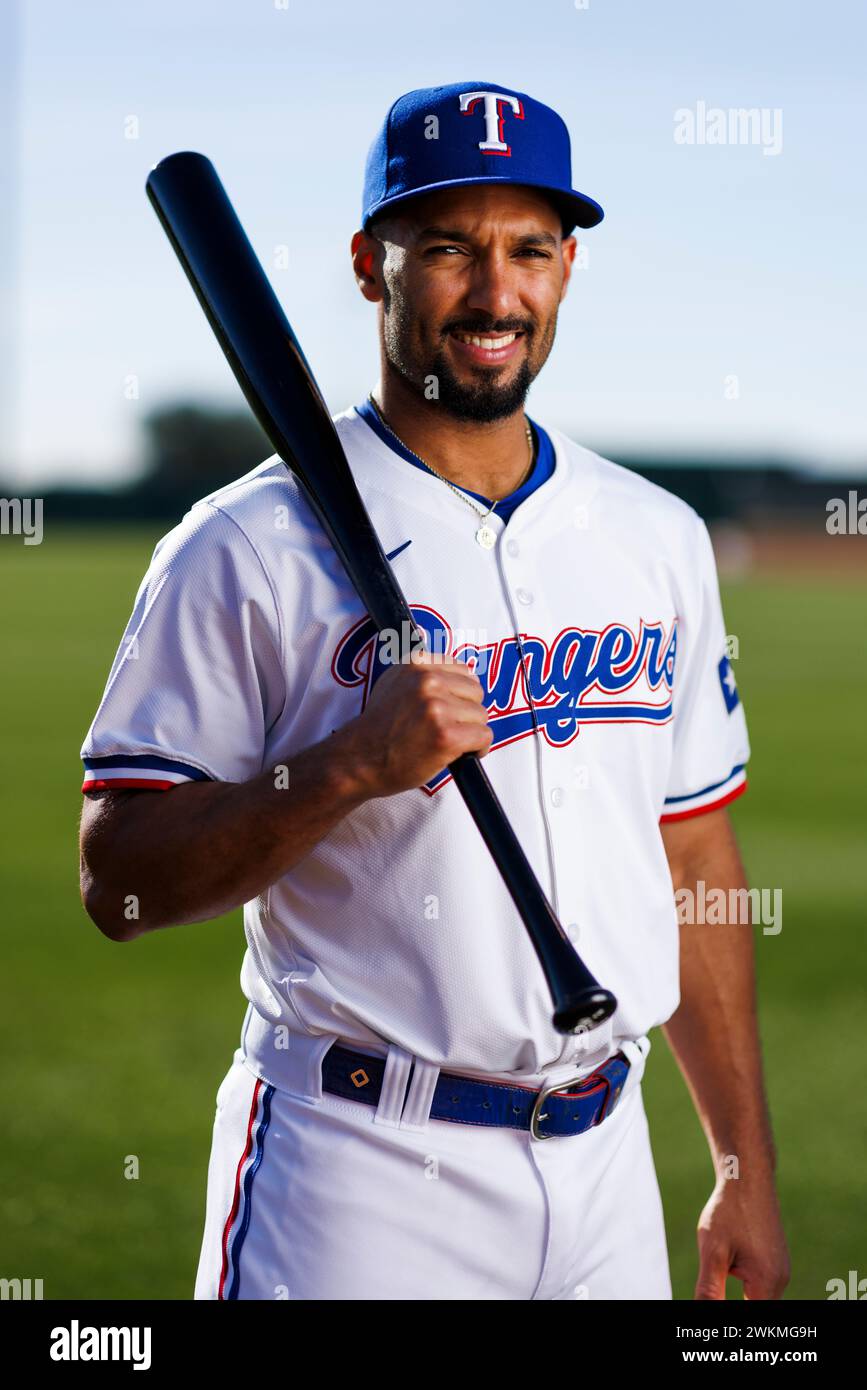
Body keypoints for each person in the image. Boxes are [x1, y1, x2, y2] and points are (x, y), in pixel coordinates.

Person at [79, 82, 790, 1301]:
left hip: (610, 1170)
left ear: (568, 268)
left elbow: (696, 860)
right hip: (358, 1169)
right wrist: (345, 764)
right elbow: (120, 882)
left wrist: (740, 1161)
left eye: (528, 250)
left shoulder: (656, 536)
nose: (495, 292)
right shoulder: (241, 544)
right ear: (373, 266)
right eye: (449, 248)